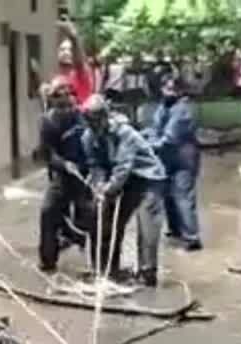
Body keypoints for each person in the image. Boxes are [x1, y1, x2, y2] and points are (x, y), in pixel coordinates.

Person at [80, 95, 167, 288]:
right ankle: (108, 269)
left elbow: (123, 167)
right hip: (122, 180)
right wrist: (99, 186)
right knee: (109, 220)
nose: (93, 125)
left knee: (147, 226)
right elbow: (95, 165)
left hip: (147, 179)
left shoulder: (125, 133)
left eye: (96, 120)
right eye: (88, 121)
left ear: (105, 117)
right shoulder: (87, 137)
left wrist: (108, 189)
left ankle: (147, 273)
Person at [37, 80, 94, 274]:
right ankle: (48, 260)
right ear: (53, 102)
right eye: (61, 100)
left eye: (70, 97)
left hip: (87, 173)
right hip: (63, 173)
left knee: (92, 215)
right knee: (48, 211)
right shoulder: (48, 121)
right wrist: (63, 164)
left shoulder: (84, 116)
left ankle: (99, 262)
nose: (67, 106)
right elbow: (47, 153)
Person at [145, 76, 202, 251]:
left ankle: (192, 237)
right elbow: (154, 129)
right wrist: (144, 136)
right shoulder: (164, 106)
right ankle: (176, 231)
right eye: (165, 88)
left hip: (183, 158)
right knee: (168, 196)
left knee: (183, 196)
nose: (168, 92)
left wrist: (147, 146)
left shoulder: (183, 110)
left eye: (172, 89)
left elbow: (168, 139)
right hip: (167, 158)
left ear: (180, 91)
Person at [53, 18, 95, 105]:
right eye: (62, 49)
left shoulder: (81, 73)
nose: (66, 52)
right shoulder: (58, 78)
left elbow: (79, 62)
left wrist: (73, 38)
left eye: (69, 49)